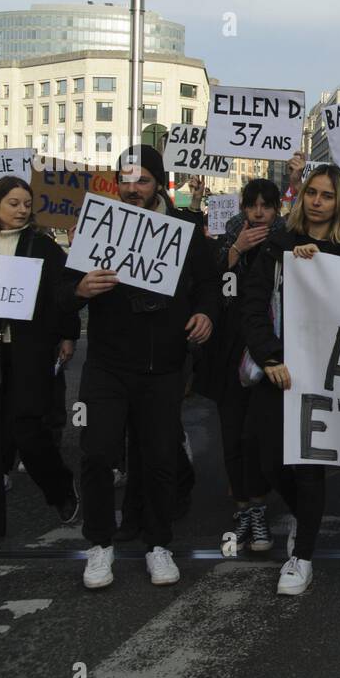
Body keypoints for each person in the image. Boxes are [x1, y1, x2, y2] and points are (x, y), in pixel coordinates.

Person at [65, 145, 220, 590]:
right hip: (109, 365)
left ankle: (159, 544)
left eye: (143, 181)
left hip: (164, 365)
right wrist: (80, 287)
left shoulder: (187, 230)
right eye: (125, 181)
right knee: (97, 453)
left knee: (158, 459)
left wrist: (206, 313)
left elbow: (209, 285)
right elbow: (61, 292)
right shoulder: (96, 226)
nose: (132, 189)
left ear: (159, 183)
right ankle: (99, 545)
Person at [242, 162, 340, 595]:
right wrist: (269, 356)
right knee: (270, 461)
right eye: (312, 193)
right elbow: (252, 304)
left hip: (326, 375)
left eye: (327, 195)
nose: (317, 202)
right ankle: (305, 517)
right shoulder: (278, 243)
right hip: (279, 372)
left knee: (309, 466)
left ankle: (303, 556)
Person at [0, 176, 80, 539]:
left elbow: (63, 294)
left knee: (29, 431)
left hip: (29, 353)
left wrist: (68, 334)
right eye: (14, 203)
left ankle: (60, 488)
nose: (22, 209)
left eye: (26, 203)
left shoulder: (42, 247)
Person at [192, 177, 286, 552]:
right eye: (252, 205)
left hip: (265, 351)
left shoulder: (284, 242)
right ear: (243, 209)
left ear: (277, 209)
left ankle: (259, 506)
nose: (259, 212)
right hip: (228, 353)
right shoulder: (227, 240)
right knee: (232, 434)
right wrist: (235, 250)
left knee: (257, 435)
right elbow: (206, 281)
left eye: (267, 206)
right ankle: (244, 507)